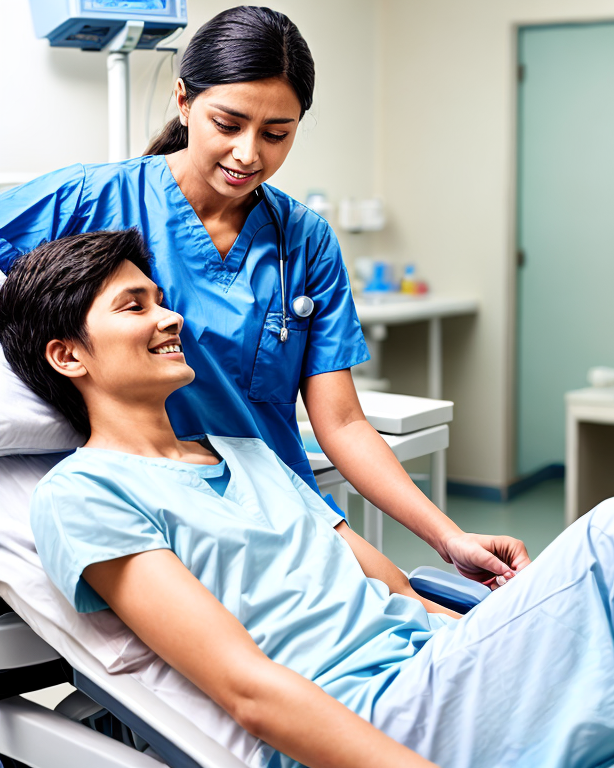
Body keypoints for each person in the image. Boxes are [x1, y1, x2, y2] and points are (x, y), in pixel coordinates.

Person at [0, 229, 614, 768]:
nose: (170, 318)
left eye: (161, 299)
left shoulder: (248, 455)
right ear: (67, 356)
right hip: (374, 718)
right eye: (134, 307)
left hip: (440, 672)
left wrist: (523, 629)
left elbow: (391, 587)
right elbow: (248, 690)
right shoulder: (86, 494)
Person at [0, 6, 529, 596]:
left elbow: (342, 421)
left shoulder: (304, 240)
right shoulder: (93, 199)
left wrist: (448, 538)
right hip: (163, 510)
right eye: (227, 124)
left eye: (277, 134)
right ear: (184, 101)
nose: (249, 154)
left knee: (410, 612)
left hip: (282, 506)